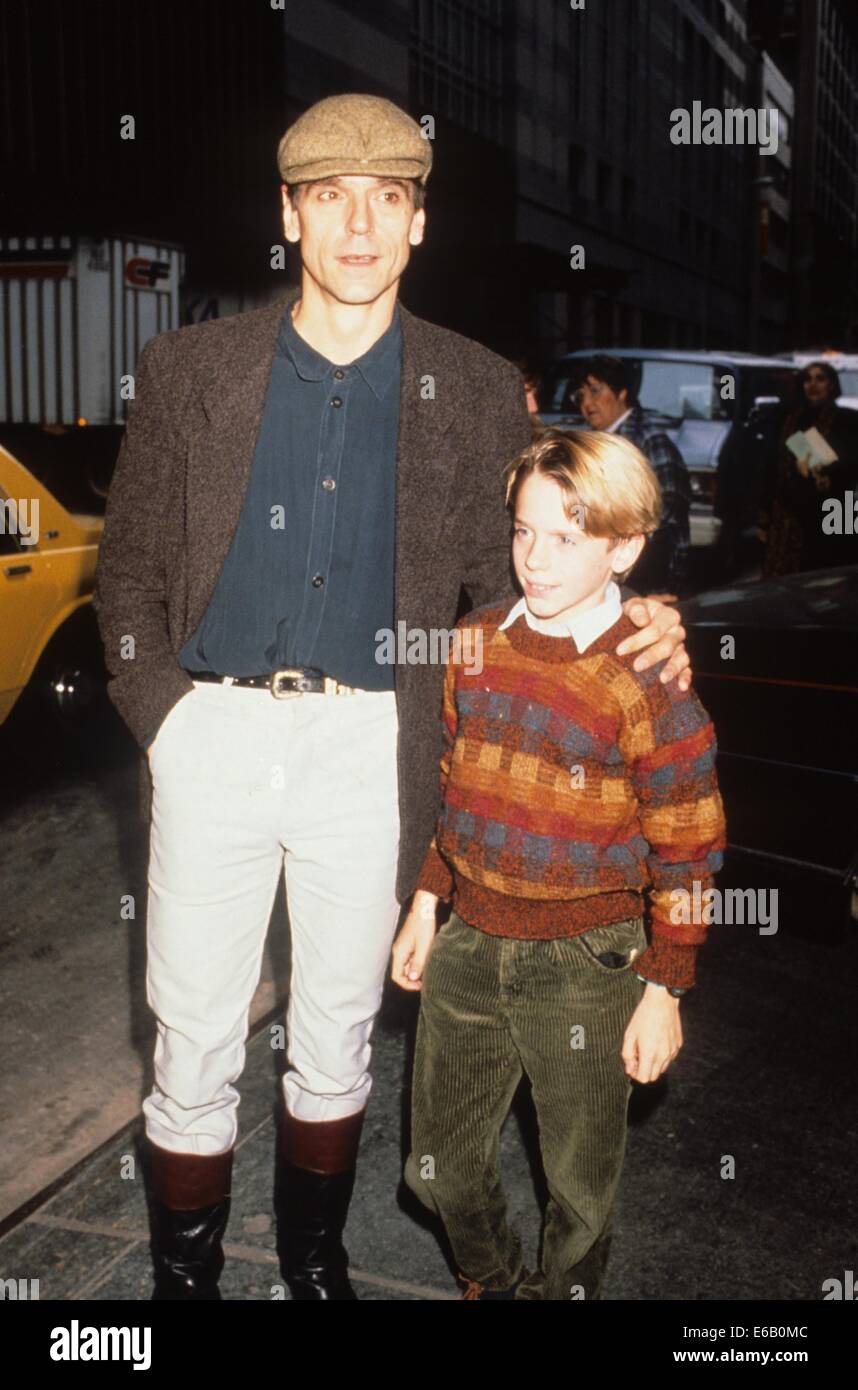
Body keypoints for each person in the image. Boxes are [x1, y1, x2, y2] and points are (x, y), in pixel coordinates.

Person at [93, 93, 692, 1303]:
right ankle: (184, 1285)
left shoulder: (475, 391)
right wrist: (168, 715)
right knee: (195, 1038)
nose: (357, 224)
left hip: (377, 745)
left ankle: (315, 1267)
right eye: (328, 197)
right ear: (289, 215)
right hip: (214, 730)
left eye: (386, 198)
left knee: (336, 1035)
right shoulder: (187, 368)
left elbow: (520, 576)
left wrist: (636, 620)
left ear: (419, 222)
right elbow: (130, 570)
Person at [393, 428, 725, 1301]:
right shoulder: (471, 644)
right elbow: (454, 788)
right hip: (470, 942)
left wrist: (665, 989)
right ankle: (497, 1282)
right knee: (435, 1169)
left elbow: (690, 845)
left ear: (625, 548)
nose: (535, 561)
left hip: (588, 961)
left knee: (579, 1192)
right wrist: (428, 902)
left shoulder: (648, 676)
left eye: (567, 540)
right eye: (522, 531)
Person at [573, 354, 691, 595]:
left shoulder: (648, 439)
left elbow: (668, 509)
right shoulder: (588, 442)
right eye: (581, 396)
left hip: (649, 574)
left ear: (622, 393)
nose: (587, 403)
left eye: (596, 391)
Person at [761, 360, 858, 576]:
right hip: (786, 515)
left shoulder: (848, 421)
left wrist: (824, 467)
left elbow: (852, 467)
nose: (812, 385)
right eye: (807, 379)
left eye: (820, 379)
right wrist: (764, 516)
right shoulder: (788, 419)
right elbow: (771, 466)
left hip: (826, 514)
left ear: (832, 385)